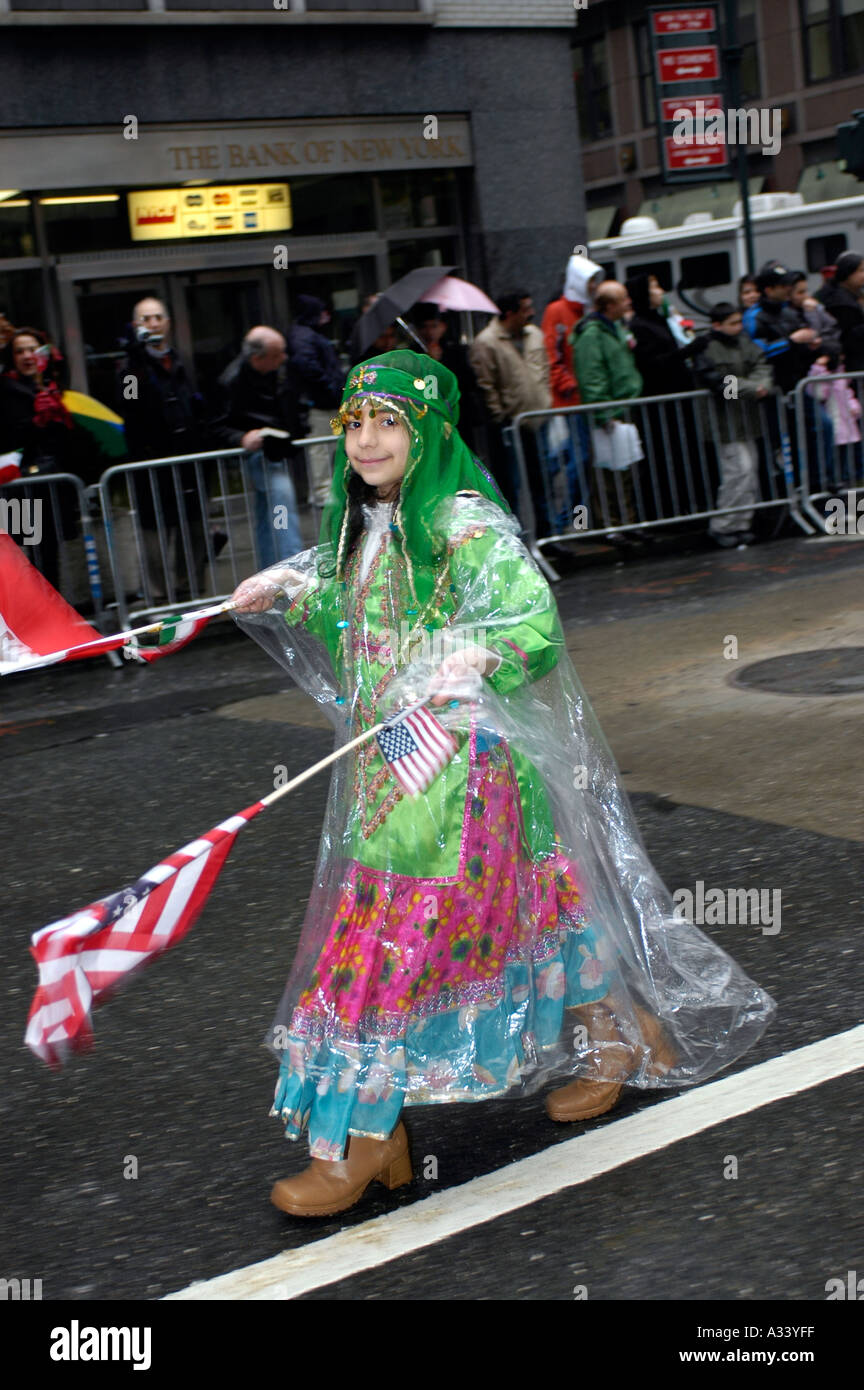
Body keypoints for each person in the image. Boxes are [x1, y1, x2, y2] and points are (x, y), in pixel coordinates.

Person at [229, 349, 774, 1217]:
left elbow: (532, 620)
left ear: (429, 430)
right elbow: (366, 621)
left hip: (459, 772)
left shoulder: (463, 521)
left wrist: (481, 652)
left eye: (388, 423)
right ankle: (622, 1039)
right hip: (398, 760)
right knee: (538, 904)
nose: (365, 441)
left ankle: (365, 1143)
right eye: (354, 423)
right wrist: (291, 591)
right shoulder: (372, 522)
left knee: (378, 953)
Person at [115, 297, 209, 600]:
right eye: (145, 319)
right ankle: (157, 596)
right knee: (155, 533)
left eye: (157, 317)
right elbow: (128, 403)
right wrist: (136, 358)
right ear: (135, 327)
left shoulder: (182, 361)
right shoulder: (130, 368)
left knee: (193, 530)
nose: (153, 323)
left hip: (188, 462)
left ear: (167, 323)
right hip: (151, 464)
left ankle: (189, 591)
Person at [0, 327, 97, 591]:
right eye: (20, 351)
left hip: (54, 485)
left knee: (49, 555)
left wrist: (61, 418)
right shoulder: (6, 391)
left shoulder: (56, 390)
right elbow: (8, 438)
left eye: (33, 349)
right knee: (25, 558)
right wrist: (36, 422)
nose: (27, 356)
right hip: (20, 489)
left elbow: (73, 443)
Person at [209, 326, 306, 567]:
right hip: (261, 453)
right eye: (277, 354)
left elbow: (294, 403)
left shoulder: (279, 371)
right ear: (257, 358)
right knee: (281, 505)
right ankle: (292, 566)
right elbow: (214, 425)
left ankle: (271, 570)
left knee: (268, 514)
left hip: (280, 447)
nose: (283, 358)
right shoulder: (231, 381)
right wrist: (241, 438)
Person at [693, 302, 773, 548]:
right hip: (723, 422)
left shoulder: (744, 343)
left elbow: (762, 364)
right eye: (732, 323)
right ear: (717, 325)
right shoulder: (707, 348)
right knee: (738, 473)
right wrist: (753, 388)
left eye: (739, 322)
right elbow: (718, 384)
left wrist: (761, 385)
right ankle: (725, 525)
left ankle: (742, 523)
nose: (738, 327)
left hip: (745, 419)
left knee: (749, 473)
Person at [469, 289, 551, 525]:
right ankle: (516, 533)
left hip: (538, 416)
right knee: (510, 483)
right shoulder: (487, 342)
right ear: (509, 313)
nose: (531, 313)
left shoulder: (534, 334)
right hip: (510, 423)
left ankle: (547, 533)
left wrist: (545, 399)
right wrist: (500, 415)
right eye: (525, 309)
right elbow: (486, 384)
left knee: (542, 480)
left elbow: (543, 368)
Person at [570, 280, 643, 533]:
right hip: (609, 412)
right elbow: (592, 376)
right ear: (610, 305)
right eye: (623, 299)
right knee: (608, 472)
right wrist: (603, 412)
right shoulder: (592, 335)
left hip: (622, 408)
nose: (628, 303)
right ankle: (610, 526)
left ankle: (627, 521)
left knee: (623, 469)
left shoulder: (615, 328)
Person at [286, 296, 346, 508]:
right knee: (321, 447)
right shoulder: (306, 336)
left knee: (328, 446)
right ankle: (322, 490)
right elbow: (308, 366)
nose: (326, 316)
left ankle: (324, 489)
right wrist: (330, 386)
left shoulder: (307, 335)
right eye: (321, 311)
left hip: (325, 403)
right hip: (320, 404)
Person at [815, 251, 864, 372]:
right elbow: (849, 336)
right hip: (848, 363)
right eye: (861, 271)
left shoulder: (853, 295)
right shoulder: (841, 302)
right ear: (848, 273)